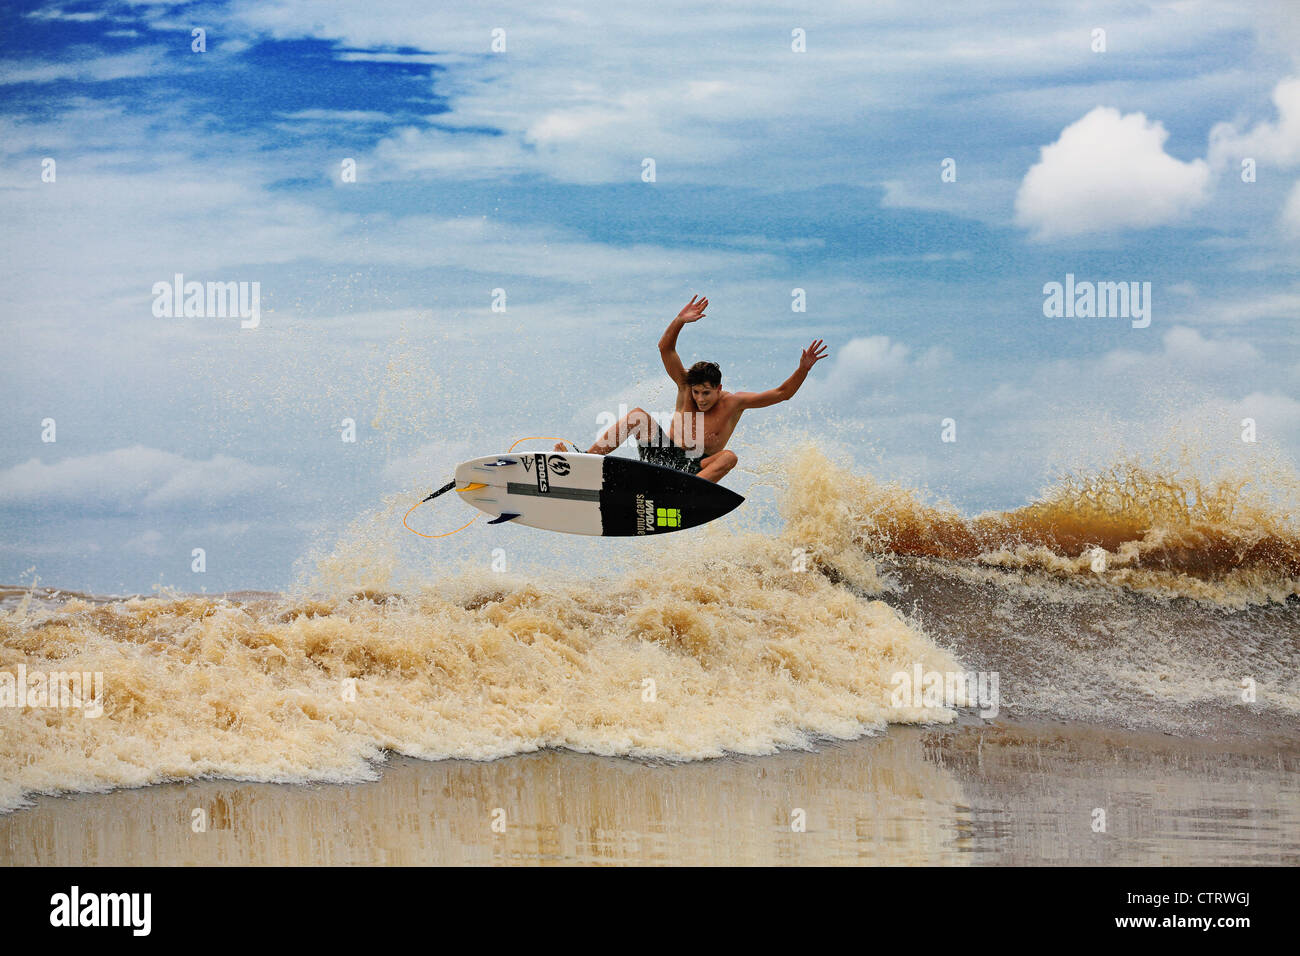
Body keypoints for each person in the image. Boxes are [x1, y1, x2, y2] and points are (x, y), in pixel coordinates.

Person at [557, 295, 829, 483]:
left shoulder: (735, 403)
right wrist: (679, 321)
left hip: (696, 468)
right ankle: (585, 462)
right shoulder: (685, 387)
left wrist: (803, 369)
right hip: (663, 455)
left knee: (730, 457)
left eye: (706, 393)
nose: (699, 399)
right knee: (638, 416)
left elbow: (783, 394)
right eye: (696, 392)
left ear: (719, 388)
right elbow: (666, 348)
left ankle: (690, 492)